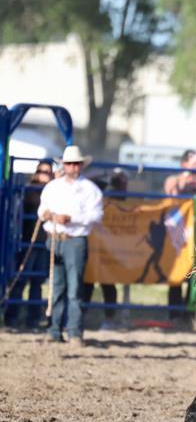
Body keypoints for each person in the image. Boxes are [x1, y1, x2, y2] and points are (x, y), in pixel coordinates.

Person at [38, 146, 103, 346]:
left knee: (74, 289)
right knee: (56, 287)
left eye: (75, 163)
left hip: (75, 240)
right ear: (64, 165)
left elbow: (96, 215)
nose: (72, 167)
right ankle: (54, 329)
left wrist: (72, 219)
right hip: (54, 237)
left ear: (81, 165)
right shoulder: (53, 187)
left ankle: (75, 332)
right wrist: (46, 214)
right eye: (69, 163)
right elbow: (42, 209)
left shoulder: (90, 189)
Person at [3, 159, 54, 330]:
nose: (44, 175)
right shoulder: (30, 191)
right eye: (42, 171)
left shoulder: (53, 191)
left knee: (37, 282)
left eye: (48, 172)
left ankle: (33, 319)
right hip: (28, 242)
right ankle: (12, 317)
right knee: (21, 280)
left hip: (43, 243)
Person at [84, 168, 128, 330]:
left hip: (107, 244)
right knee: (88, 281)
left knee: (106, 282)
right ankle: (84, 315)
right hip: (93, 241)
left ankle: (107, 318)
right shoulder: (92, 192)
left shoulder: (116, 198)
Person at [164, 150, 196, 323]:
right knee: (176, 273)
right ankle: (174, 314)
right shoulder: (173, 179)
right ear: (184, 165)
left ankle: (187, 314)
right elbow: (171, 191)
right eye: (194, 164)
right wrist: (186, 178)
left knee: (194, 274)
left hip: (195, 233)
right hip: (176, 235)